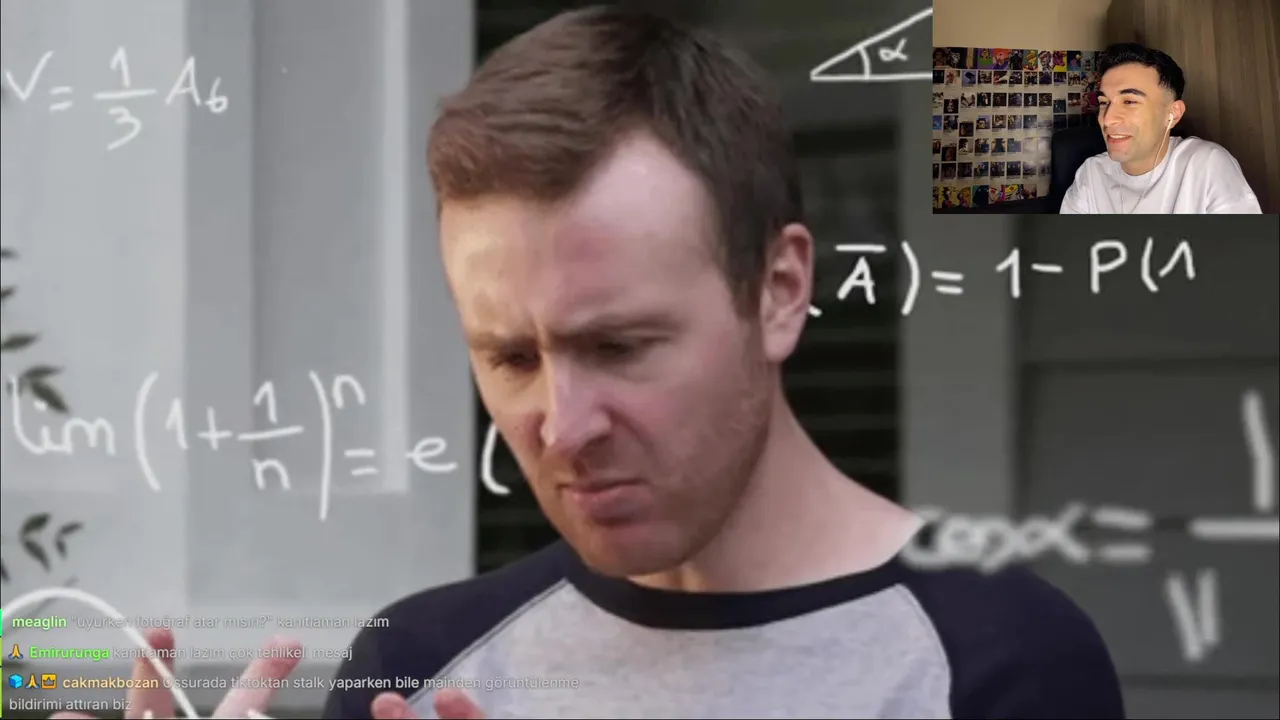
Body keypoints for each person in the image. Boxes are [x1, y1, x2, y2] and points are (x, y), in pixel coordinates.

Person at [53, 7, 1126, 720]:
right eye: (509, 356)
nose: (562, 426)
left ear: (778, 290)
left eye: (618, 346)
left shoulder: (995, 662)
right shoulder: (418, 662)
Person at [1060, 42, 1262, 214]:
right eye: (1104, 102)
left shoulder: (1206, 165)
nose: (1108, 119)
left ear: (1173, 114)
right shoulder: (1091, 174)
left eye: (1129, 101)